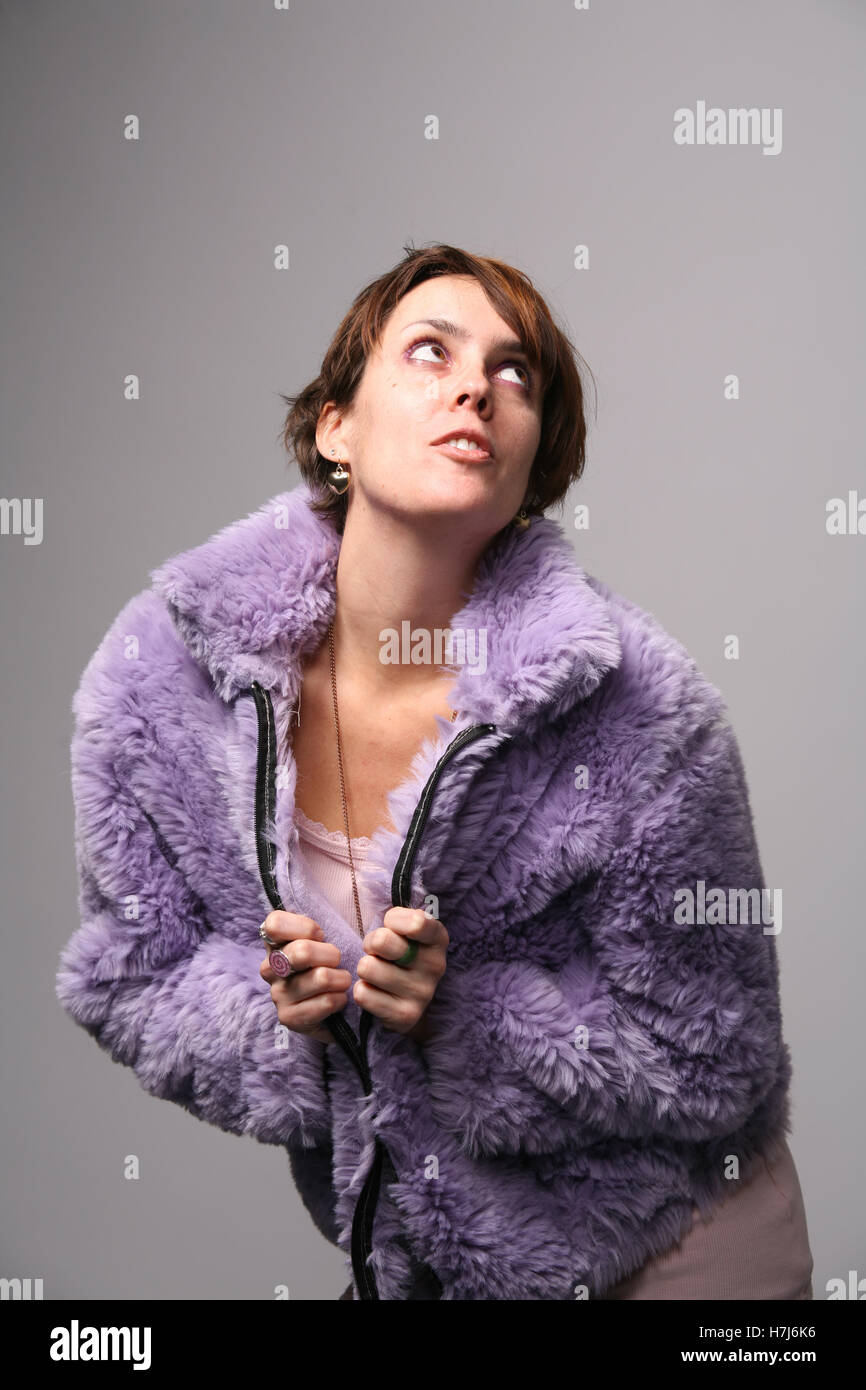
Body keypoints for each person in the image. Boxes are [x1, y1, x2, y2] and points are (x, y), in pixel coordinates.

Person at [56, 242, 813, 1301]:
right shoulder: (163, 683)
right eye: (429, 350)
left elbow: (713, 1053)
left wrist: (456, 1014)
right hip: (426, 1268)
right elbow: (130, 973)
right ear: (336, 427)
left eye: (515, 374)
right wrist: (285, 1018)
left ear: (532, 460)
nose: (476, 387)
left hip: (670, 1250)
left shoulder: (639, 705)